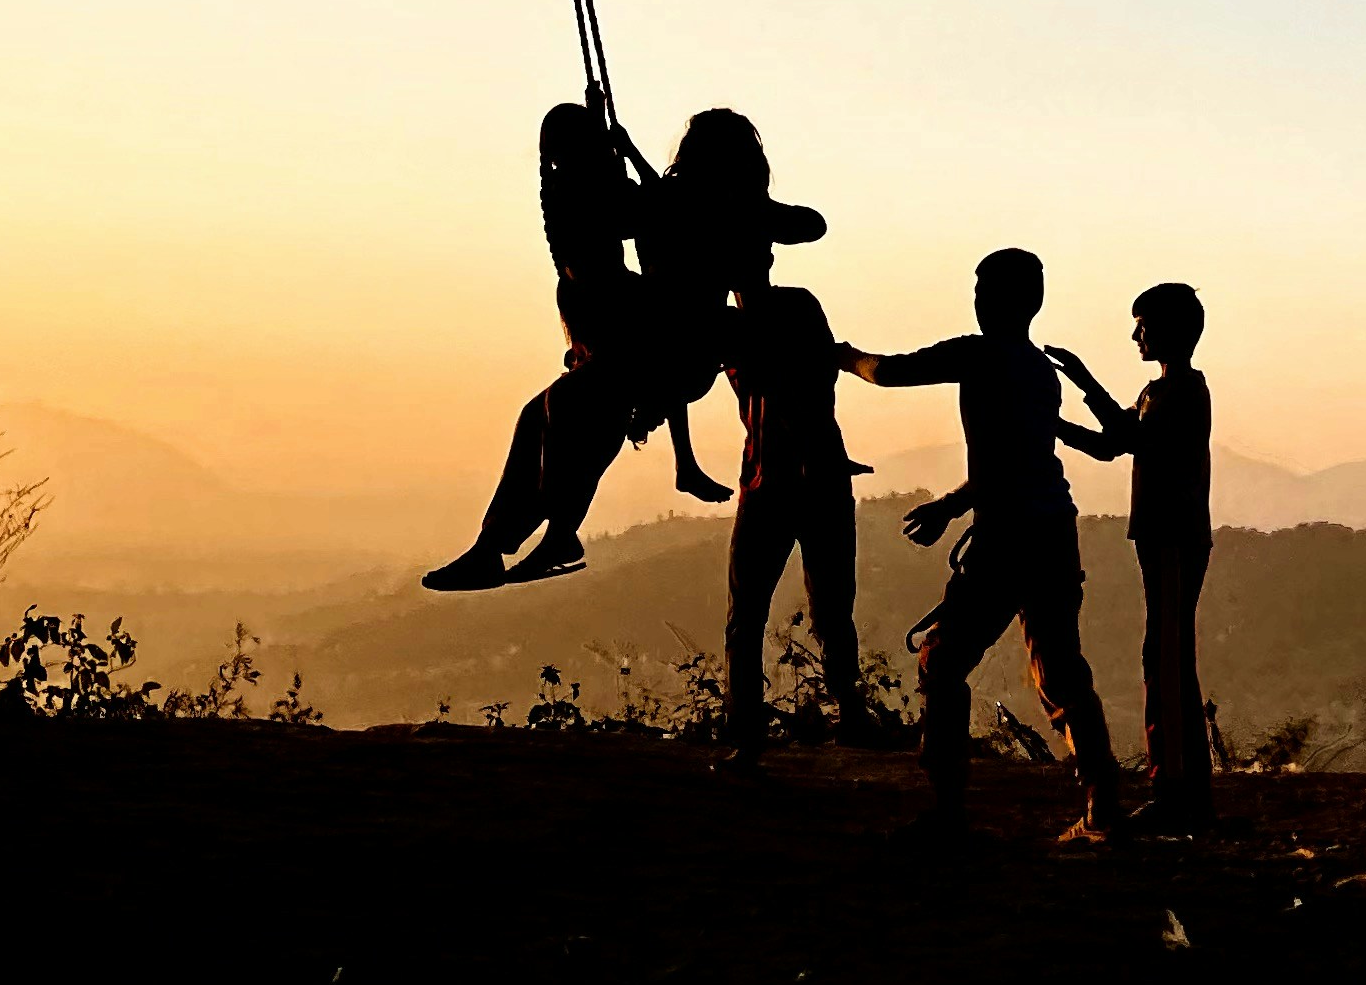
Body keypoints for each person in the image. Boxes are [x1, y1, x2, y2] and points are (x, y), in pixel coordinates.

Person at [424, 101, 821, 593]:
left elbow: (809, 224)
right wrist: (614, 160)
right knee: (537, 415)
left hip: (679, 352)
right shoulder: (679, 199)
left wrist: (733, 208)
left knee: (571, 409)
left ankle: (558, 533)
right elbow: (623, 211)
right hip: (653, 344)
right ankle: (492, 547)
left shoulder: (715, 206)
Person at [838, 246, 1127, 838]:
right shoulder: (1041, 375)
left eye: (984, 288)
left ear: (1008, 300)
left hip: (1008, 536)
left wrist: (844, 357)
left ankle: (948, 809)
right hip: (1052, 530)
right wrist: (953, 505)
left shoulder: (979, 354)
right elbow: (1016, 460)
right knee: (1060, 671)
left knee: (942, 661)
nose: (976, 298)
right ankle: (1102, 802)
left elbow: (891, 371)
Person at [1052, 284, 1214, 833]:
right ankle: (1182, 785)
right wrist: (1053, 425)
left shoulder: (1184, 393)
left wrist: (1079, 381)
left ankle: (1175, 790)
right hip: (1164, 538)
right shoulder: (1160, 391)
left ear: (1169, 330)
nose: (1135, 335)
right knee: (1164, 659)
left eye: (1143, 324)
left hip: (1173, 538)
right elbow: (1110, 444)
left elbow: (1127, 439)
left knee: (1166, 662)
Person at [719, 241, 869, 761]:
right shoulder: (790, 308)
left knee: (753, 615)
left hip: (775, 481)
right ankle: (848, 715)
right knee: (827, 607)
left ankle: (750, 737)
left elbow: (800, 384)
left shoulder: (732, 323)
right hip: (812, 477)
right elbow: (815, 379)